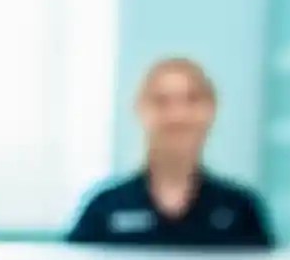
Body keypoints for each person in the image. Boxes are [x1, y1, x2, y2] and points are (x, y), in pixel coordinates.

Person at [68, 58, 273, 248]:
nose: (178, 115)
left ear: (211, 109)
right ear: (140, 109)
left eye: (191, 100)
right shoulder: (105, 208)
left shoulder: (240, 210)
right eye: (161, 102)